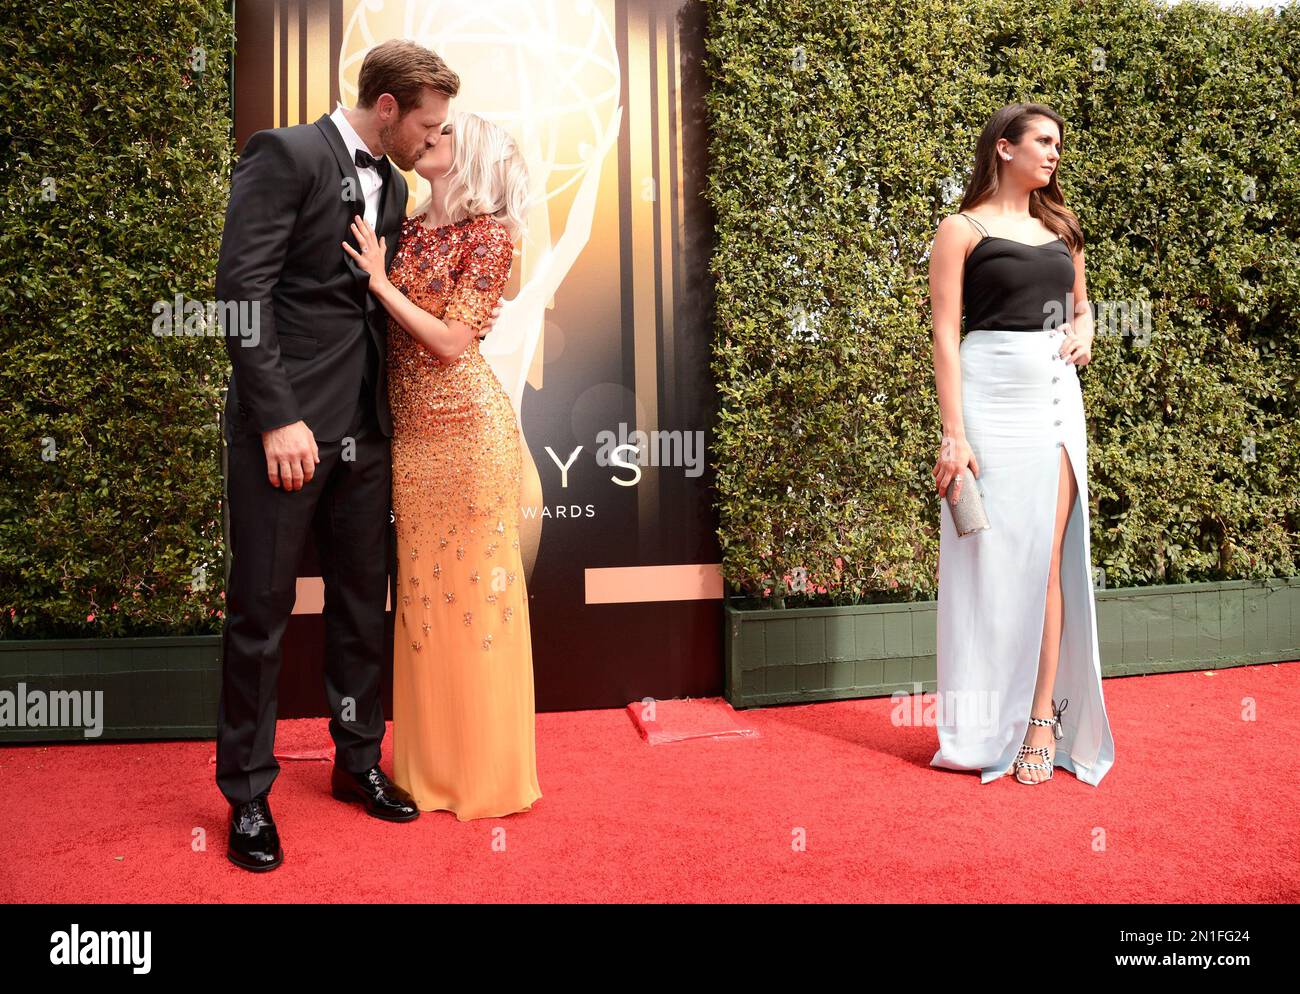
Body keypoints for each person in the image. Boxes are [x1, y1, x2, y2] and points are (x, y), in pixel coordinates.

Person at [215, 40, 476, 872]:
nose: (435, 138)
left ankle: (358, 761)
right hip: (286, 433)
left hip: (367, 432)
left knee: (365, 605)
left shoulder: (394, 186)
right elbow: (241, 292)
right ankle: (248, 796)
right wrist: (276, 417)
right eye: (428, 123)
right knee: (262, 612)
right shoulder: (285, 153)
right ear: (389, 107)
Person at [343, 111, 541, 819]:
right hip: (413, 440)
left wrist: (379, 282)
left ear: (474, 157)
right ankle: (428, 771)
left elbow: (454, 342)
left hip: (467, 436)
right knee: (426, 602)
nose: (432, 137)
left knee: (475, 601)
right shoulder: (411, 220)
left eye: (448, 134)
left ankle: (484, 775)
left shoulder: (490, 233)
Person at [927, 103, 1116, 786]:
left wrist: (1088, 330)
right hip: (985, 401)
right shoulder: (961, 230)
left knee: (1045, 563)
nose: (1055, 152)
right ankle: (980, 723)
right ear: (1003, 148)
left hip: (1055, 404)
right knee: (983, 561)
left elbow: (1081, 308)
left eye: (1059, 143)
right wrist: (955, 434)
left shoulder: (1062, 230)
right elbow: (945, 335)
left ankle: (1042, 720)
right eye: (1042, 141)